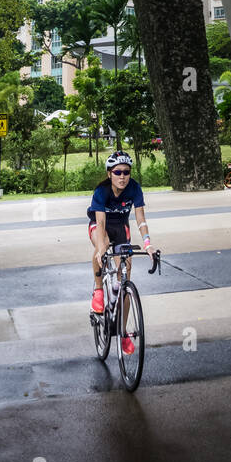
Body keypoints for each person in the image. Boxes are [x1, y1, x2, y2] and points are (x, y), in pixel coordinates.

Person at [87, 151, 154, 355]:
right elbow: (100, 223)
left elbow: (140, 219)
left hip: (121, 228)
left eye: (126, 172)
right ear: (110, 174)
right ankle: (99, 291)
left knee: (125, 276)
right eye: (118, 172)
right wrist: (100, 248)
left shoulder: (134, 188)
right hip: (101, 227)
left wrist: (148, 244)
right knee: (104, 245)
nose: (122, 176)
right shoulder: (102, 191)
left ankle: (122, 331)